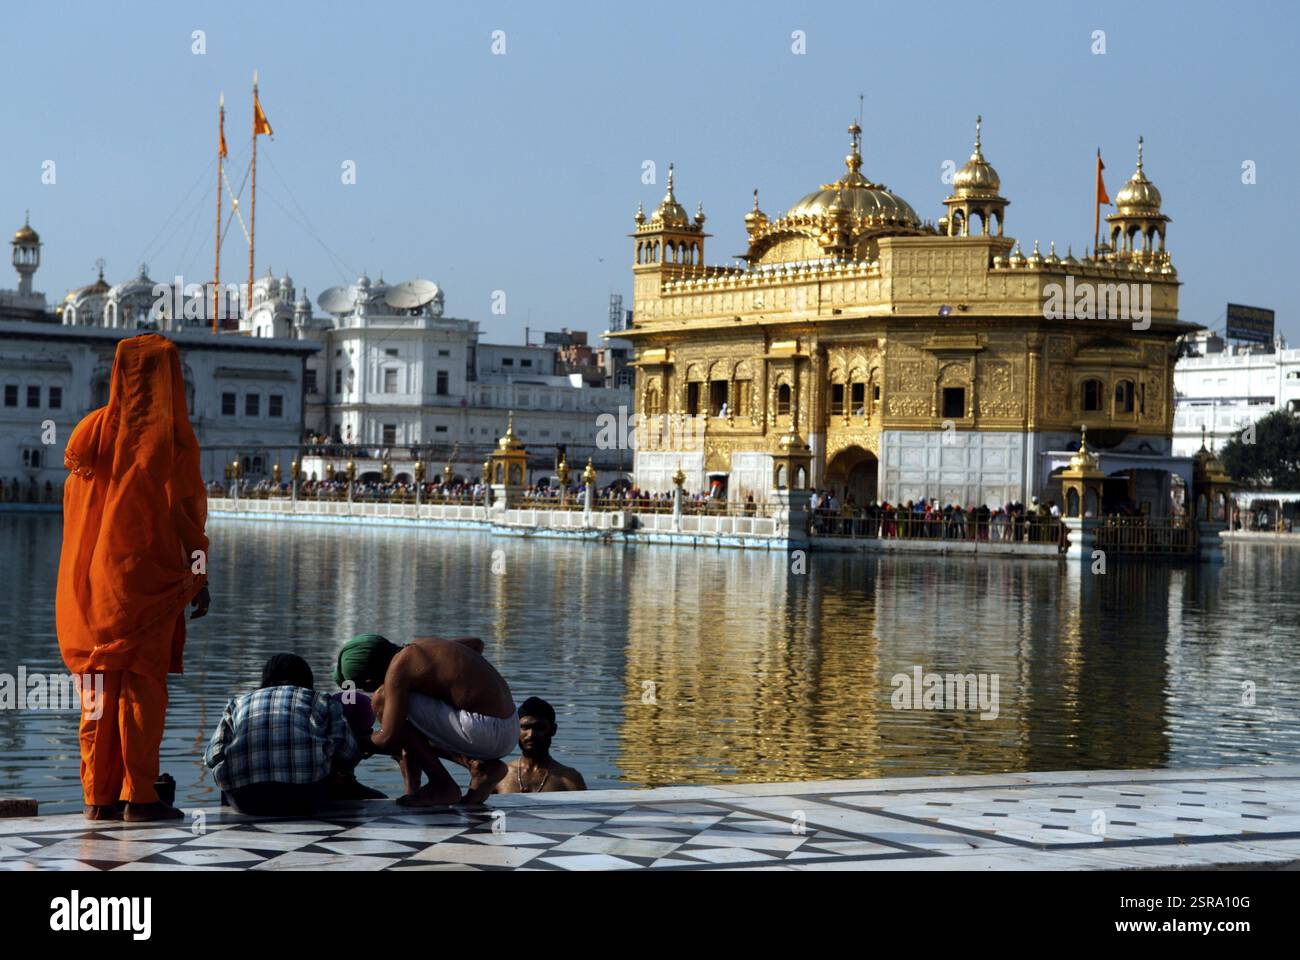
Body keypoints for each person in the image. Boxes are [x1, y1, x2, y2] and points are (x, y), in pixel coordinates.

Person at [56, 334, 210, 822]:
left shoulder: (91, 432)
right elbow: (186, 519)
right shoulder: (172, 441)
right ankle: (138, 796)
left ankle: (97, 796)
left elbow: (76, 508)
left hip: (95, 587)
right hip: (148, 588)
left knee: (99, 687)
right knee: (142, 689)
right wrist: (199, 578)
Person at [335, 633, 517, 805]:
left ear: (368, 681)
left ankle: (442, 784)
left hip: (486, 731)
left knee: (382, 701)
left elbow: (386, 738)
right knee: (403, 720)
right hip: (509, 726)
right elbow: (476, 643)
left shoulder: (398, 668)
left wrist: (352, 743)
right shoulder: (423, 646)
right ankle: (479, 767)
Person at [204, 653, 365, 816]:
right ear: (307, 679)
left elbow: (213, 756)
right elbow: (348, 753)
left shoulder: (238, 703)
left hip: (245, 802)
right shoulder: (321, 701)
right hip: (306, 798)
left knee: (227, 771)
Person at [494, 697, 587, 794]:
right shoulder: (501, 776)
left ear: (553, 730)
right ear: (516, 729)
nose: (531, 734)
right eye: (525, 727)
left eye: (539, 727)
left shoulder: (569, 779)